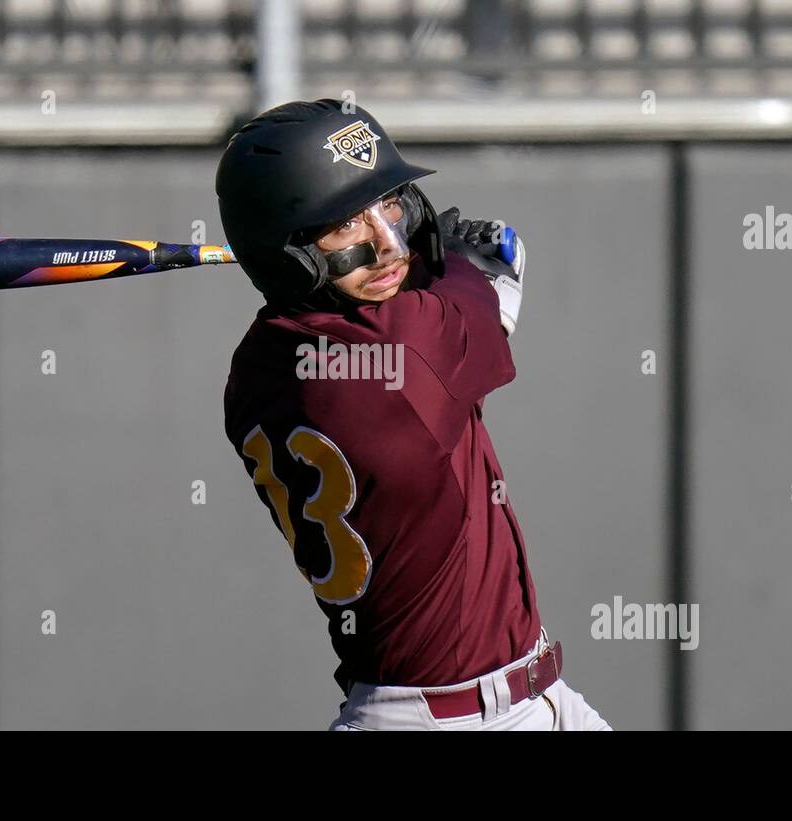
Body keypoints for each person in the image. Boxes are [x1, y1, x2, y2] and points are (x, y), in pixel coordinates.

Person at [217, 99, 610, 731]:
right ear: (286, 251)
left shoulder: (260, 362)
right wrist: (461, 259)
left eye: (391, 201)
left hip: (530, 697)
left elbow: (408, 313)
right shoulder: (390, 370)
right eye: (346, 222)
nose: (388, 240)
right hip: (444, 718)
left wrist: (436, 264)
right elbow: (482, 302)